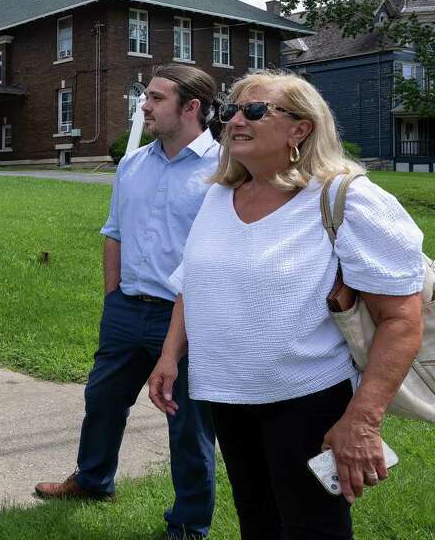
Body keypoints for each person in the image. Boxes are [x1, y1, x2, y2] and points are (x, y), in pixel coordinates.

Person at [148, 69, 426, 540]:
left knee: (312, 529)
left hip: (309, 399)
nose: (236, 119)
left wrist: (362, 420)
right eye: (231, 109)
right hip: (229, 396)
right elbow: (191, 284)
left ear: (301, 128)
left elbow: (402, 318)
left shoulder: (345, 198)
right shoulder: (219, 196)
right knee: (259, 524)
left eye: (254, 110)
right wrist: (169, 355)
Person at [36, 65, 218, 540]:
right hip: (125, 309)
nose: (145, 106)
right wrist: (112, 296)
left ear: (191, 107)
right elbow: (113, 233)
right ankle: (94, 481)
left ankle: (188, 525)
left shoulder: (224, 170)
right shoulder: (133, 164)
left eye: (156, 98)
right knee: (102, 400)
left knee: (188, 424)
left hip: (186, 318)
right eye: (146, 96)